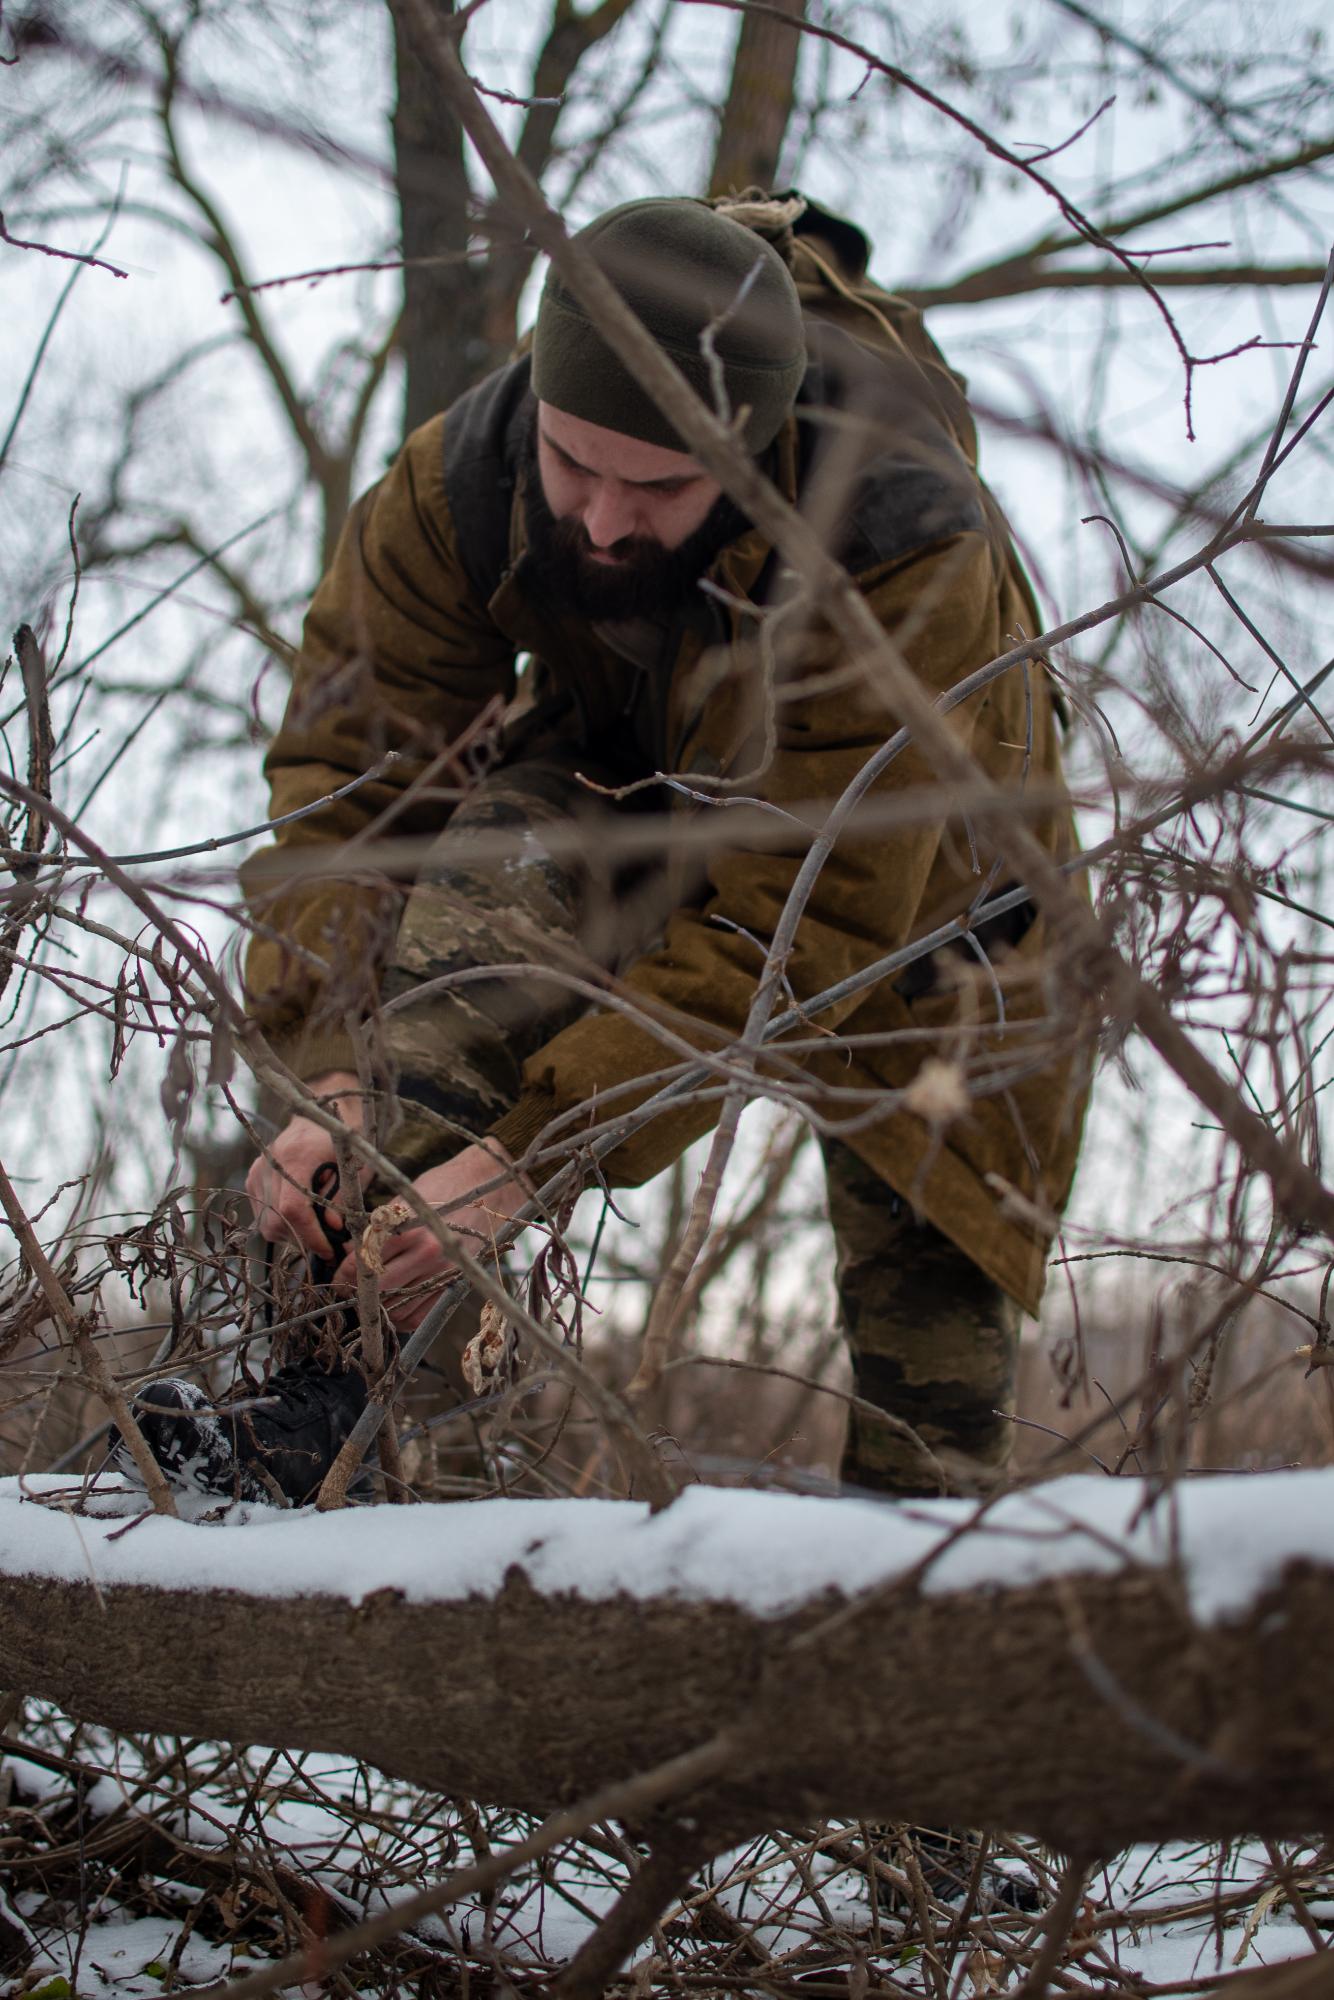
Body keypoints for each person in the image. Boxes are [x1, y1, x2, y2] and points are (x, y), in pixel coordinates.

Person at [123, 192, 1089, 1506]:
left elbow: (796, 937)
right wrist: (324, 1074)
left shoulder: (900, 539)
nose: (602, 519)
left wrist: (538, 1154)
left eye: (659, 487)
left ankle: (909, 1626)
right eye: (574, 464)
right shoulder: (462, 474)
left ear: (747, 454)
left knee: (929, 1381)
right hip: (627, 779)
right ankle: (338, 1424)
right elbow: (346, 802)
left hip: (944, 905)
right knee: (463, 912)